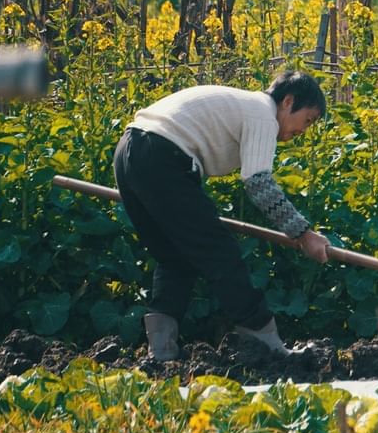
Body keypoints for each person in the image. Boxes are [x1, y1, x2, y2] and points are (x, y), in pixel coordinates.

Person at [113, 70, 332, 361]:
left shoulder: (246, 106)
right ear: (287, 101)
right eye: (307, 120)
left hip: (130, 151)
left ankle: (161, 351)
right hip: (163, 156)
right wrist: (304, 235)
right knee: (220, 252)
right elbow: (258, 183)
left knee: (174, 257)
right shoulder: (263, 114)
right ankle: (266, 343)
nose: (303, 131)